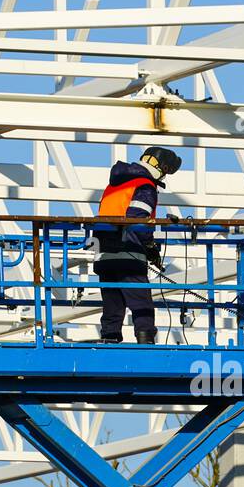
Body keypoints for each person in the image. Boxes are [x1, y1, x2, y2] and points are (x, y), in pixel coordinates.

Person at [94, 147, 182, 344]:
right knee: (141, 302)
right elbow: (138, 220)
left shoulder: (114, 184)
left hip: (103, 252)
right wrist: (149, 246)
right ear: (160, 167)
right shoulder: (144, 185)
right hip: (129, 251)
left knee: (112, 304)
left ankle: (110, 340)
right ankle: (146, 342)